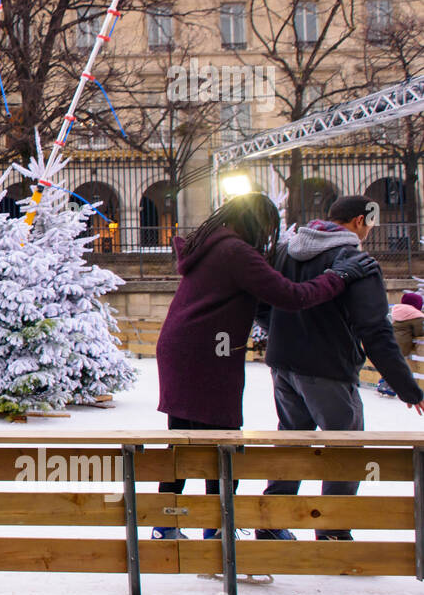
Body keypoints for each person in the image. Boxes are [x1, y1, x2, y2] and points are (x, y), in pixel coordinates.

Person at [153, 193, 380, 540]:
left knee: (187, 438)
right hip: (208, 352)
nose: (270, 238)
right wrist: (340, 276)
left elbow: (260, 300)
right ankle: (214, 528)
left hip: (186, 347)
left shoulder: (214, 244)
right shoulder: (236, 252)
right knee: (225, 442)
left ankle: (170, 523)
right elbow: (291, 296)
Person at [257, 196, 424, 540]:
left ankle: (271, 523)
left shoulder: (287, 251)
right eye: (371, 224)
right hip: (328, 369)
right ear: (360, 221)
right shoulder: (356, 261)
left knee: (292, 439)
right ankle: (332, 529)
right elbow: (376, 332)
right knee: (346, 446)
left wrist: (280, 334)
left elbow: (262, 300)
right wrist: (407, 387)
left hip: (284, 365)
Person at [378, 291, 424, 396]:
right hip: (401, 345)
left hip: (390, 342)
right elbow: (419, 332)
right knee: (398, 368)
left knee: (390, 365)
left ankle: (383, 383)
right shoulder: (416, 316)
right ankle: (389, 387)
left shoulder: (398, 312)